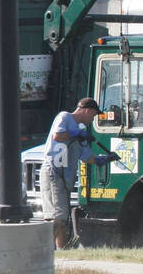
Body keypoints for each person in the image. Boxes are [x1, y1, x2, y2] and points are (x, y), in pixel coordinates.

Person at [42, 97, 117, 248]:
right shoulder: (64, 117)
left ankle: (61, 253)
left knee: (63, 218)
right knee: (58, 217)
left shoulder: (81, 132)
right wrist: (77, 134)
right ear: (87, 110)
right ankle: (42, 251)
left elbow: (87, 158)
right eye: (93, 115)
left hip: (64, 179)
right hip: (53, 173)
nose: (93, 119)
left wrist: (105, 159)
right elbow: (58, 135)